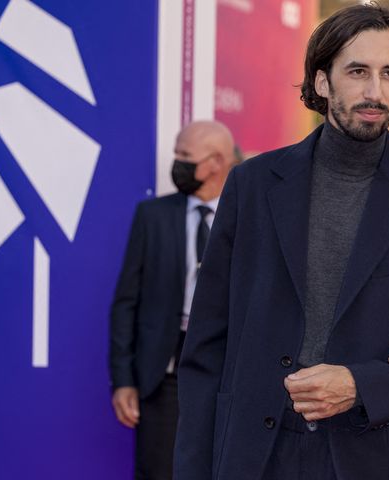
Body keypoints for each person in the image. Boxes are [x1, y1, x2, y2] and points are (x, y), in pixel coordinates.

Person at [172, 4, 389, 480]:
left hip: (372, 457)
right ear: (321, 81)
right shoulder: (251, 186)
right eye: (357, 71)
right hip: (254, 456)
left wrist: (360, 384)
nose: (375, 92)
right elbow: (206, 348)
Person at [108, 120, 236, 480]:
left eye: (184, 155)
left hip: (225, 374)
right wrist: (123, 380)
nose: (175, 162)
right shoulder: (152, 216)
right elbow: (125, 303)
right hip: (163, 377)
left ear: (214, 162)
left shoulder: (248, 215)